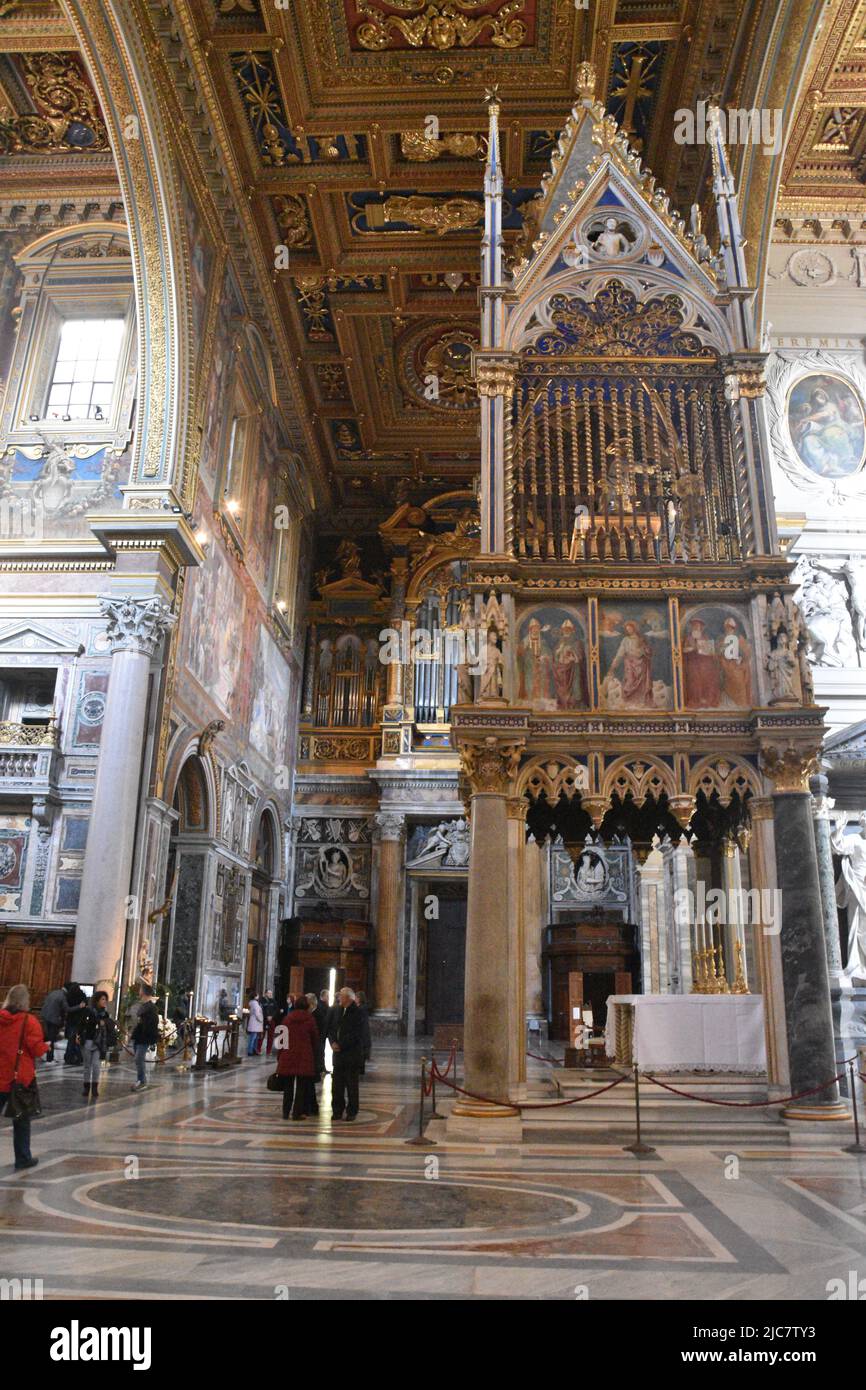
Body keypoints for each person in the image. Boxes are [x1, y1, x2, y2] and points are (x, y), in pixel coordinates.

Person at [0, 983, 48, 1171]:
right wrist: (46, 1047)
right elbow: (37, 1049)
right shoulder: (29, 1021)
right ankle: (22, 1158)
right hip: (19, 1078)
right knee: (21, 1121)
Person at [274, 994, 319, 1121]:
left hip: (288, 1056)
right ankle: (297, 1113)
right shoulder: (310, 1019)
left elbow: (281, 1039)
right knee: (301, 1088)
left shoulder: (287, 1018)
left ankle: (285, 1112)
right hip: (304, 1057)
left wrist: (280, 1056)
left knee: (288, 1087)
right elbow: (315, 1039)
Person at [330, 987, 364, 1122]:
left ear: (349, 998)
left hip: (351, 1055)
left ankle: (352, 1111)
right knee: (336, 1086)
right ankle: (337, 1110)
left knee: (351, 1086)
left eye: (342, 996)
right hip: (338, 1055)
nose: (339, 998)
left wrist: (341, 1045)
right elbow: (332, 1028)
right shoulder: (337, 1010)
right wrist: (332, 1042)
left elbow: (356, 1034)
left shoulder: (358, 1013)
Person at [78, 990, 118, 1100]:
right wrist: (79, 1036)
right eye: (103, 999)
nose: (105, 1001)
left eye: (106, 999)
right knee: (87, 1066)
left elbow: (108, 1026)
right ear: (97, 1000)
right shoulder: (88, 1011)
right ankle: (86, 1087)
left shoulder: (105, 1014)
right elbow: (82, 1024)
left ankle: (95, 1087)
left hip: (99, 1042)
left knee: (96, 1065)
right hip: (88, 1040)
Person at [131, 983, 159, 1092]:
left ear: (144, 992)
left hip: (144, 1036)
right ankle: (141, 1080)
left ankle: (142, 1081)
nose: (139, 992)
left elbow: (151, 1023)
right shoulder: (143, 1005)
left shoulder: (151, 1007)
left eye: (140, 990)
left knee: (139, 1058)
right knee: (138, 1059)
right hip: (139, 1036)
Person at [305, 993, 325, 1115]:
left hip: (314, 1052)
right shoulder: (310, 1015)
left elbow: (319, 1034)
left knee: (310, 1081)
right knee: (309, 1082)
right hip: (311, 1052)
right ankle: (311, 1106)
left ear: (311, 1003)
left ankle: (311, 1107)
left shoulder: (317, 1015)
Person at [40, 984, 68, 1062]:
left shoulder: (53, 992)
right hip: (53, 1019)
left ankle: (47, 1055)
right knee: (51, 1039)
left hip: (45, 1017)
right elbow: (66, 1009)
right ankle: (49, 1057)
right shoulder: (62, 996)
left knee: (48, 1038)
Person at [63, 981, 87, 1066]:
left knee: (71, 1040)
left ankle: (70, 1057)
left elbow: (67, 1009)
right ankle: (77, 1057)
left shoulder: (69, 997)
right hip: (79, 1020)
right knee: (75, 1040)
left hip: (71, 1020)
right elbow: (85, 1007)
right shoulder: (82, 996)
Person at [356, 990, 372, 1075]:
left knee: (361, 1051)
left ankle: (360, 1069)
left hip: (362, 1032)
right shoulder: (361, 1008)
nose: (355, 999)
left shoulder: (361, 1008)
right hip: (362, 1032)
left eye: (356, 997)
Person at [245, 990, 264, 1056]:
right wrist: (261, 1019)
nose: (258, 996)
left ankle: (254, 1050)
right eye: (257, 995)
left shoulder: (252, 1003)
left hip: (254, 1022)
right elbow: (257, 1013)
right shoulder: (255, 1003)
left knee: (254, 1037)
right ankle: (250, 1051)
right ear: (255, 996)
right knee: (253, 1037)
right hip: (255, 1022)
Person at [261, 991, 278, 1056]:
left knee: (271, 1036)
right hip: (264, 1020)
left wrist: (272, 1016)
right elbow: (262, 1010)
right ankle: (258, 1049)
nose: (270, 994)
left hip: (272, 1020)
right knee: (262, 1035)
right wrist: (266, 1016)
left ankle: (268, 1050)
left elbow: (276, 1010)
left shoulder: (274, 1001)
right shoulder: (262, 1001)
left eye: (271, 993)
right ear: (266, 994)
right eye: (269, 993)